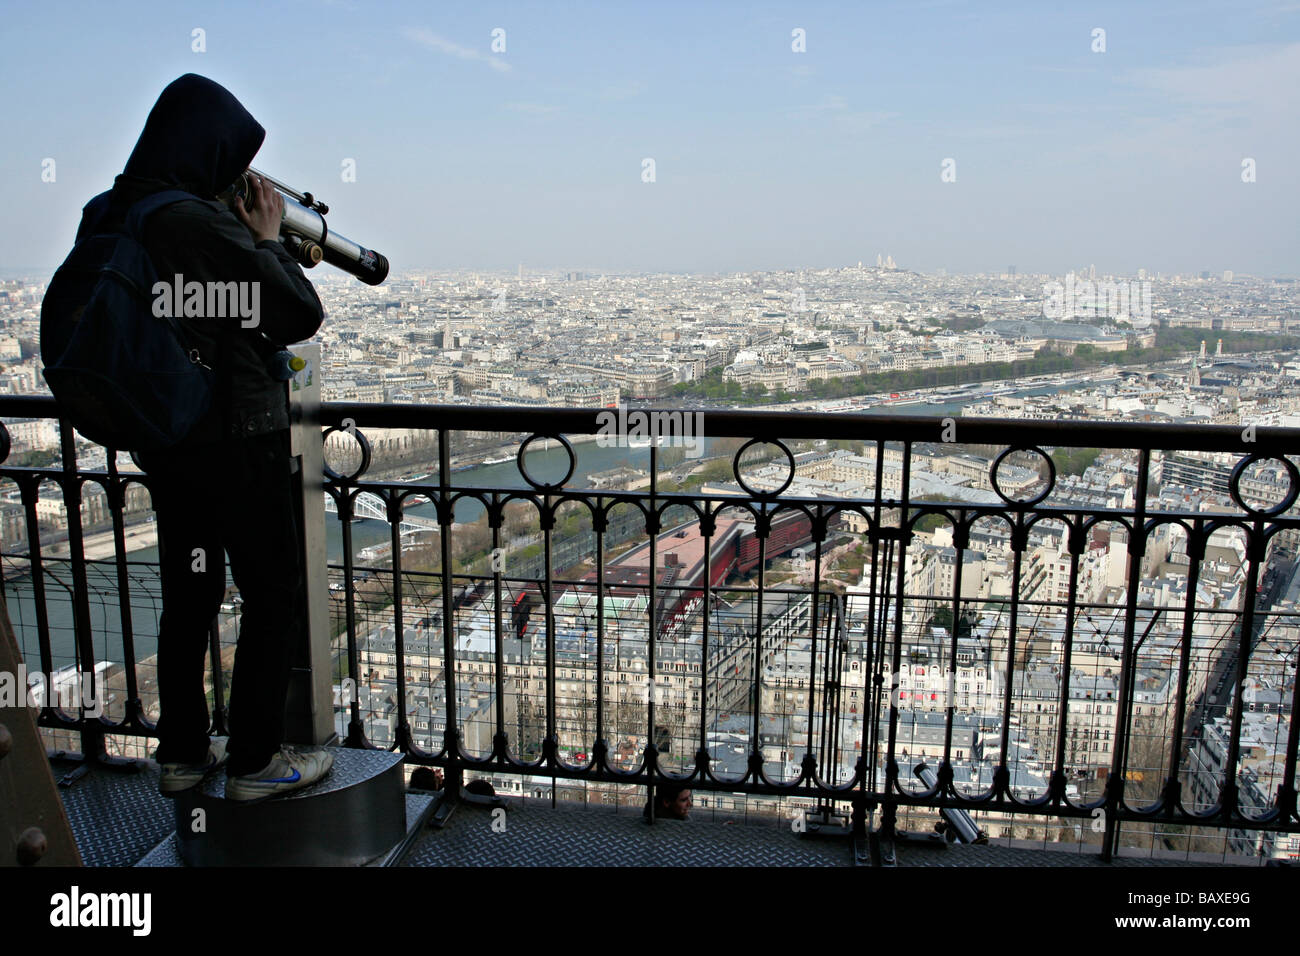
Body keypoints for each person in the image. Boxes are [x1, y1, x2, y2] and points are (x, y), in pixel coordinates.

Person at [76, 74, 331, 802]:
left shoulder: (110, 212)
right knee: (271, 592)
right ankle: (255, 760)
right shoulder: (192, 221)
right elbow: (295, 312)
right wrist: (267, 240)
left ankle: (183, 754)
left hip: (165, 435)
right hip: (236, 436)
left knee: (190, 597)